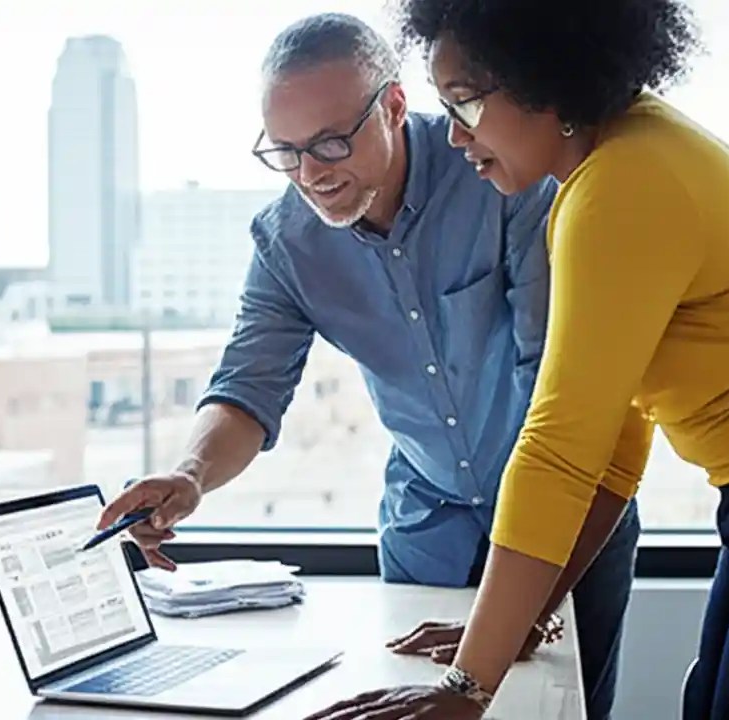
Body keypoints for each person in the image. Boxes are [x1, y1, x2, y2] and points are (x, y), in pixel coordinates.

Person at [302, 1, 729, 719]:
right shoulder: (606, 174)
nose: (458, 134)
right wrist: (512, 626)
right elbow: (612, 454)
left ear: (544, 77)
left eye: (466, 100)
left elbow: (559, 451)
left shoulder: (622, 186)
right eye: (446, 106)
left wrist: (466, 688)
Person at [96, 12, 642, 719]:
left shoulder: (499, 174)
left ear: (392, 105)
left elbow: (558, 389)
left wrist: (514, 622)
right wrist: (189, 475)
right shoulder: (285, 243)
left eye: (328, 144)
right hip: (427, 531)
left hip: (565, 518)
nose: (311, 175)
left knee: (554, 709)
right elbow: (248, 385)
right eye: (286, 153)